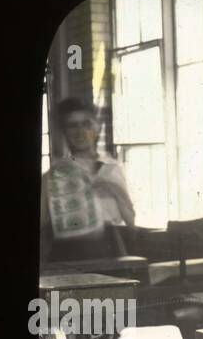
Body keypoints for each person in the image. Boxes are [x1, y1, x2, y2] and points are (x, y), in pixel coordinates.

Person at [40, 97, 136, 263]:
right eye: (72, 125)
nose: (80, 132)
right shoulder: (54, 175)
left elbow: (130, 221)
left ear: (96, 128)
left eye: (86, 124)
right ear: (65, 132)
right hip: (68, 252)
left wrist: (111, 187)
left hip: (110, 249)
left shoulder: (113, 168)